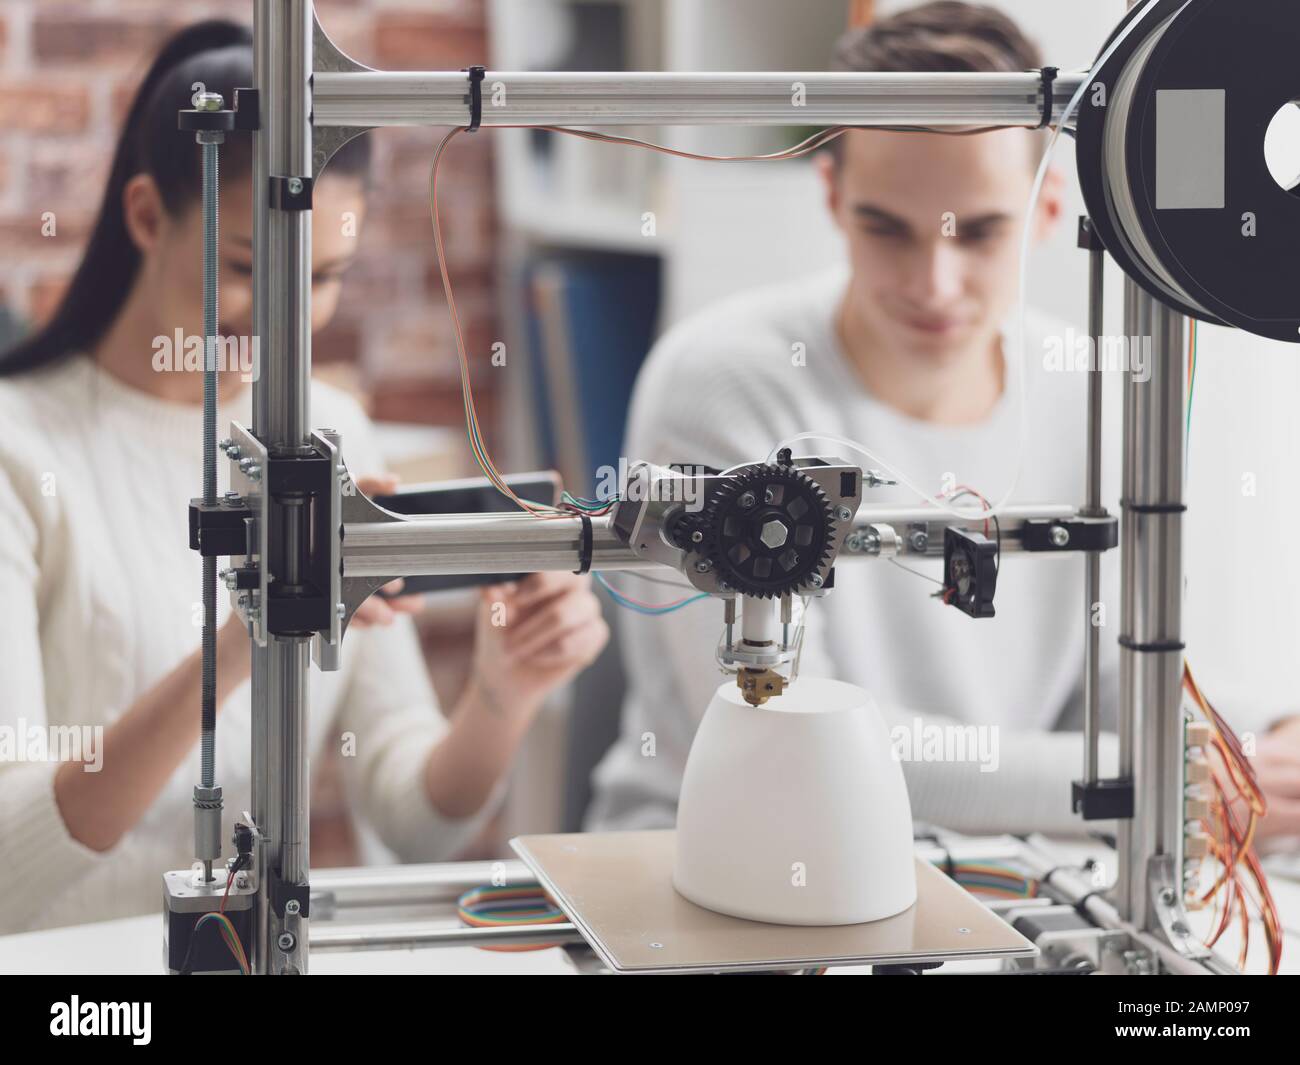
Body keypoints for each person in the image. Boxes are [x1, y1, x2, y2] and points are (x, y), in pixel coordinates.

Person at [590, 1, 1300, 842]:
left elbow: (1120, 688)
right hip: (722, 864)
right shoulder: (724, 383)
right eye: (887, 228)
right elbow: (791, 730)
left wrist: (1256, 741)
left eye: (981, 233)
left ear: (1046, 210)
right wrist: (1165, 776)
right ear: (833, 192)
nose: (934, 282)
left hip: (992, 878)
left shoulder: (1087, 394)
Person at [0, 19, 608, 934]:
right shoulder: (20, 450)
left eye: (323, 277)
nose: (286, 317)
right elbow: (9, 860)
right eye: (247, 266)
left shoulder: (336, 435)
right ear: (144, 214)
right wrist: (252, 630)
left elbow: (411, 819)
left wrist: (503, 691)